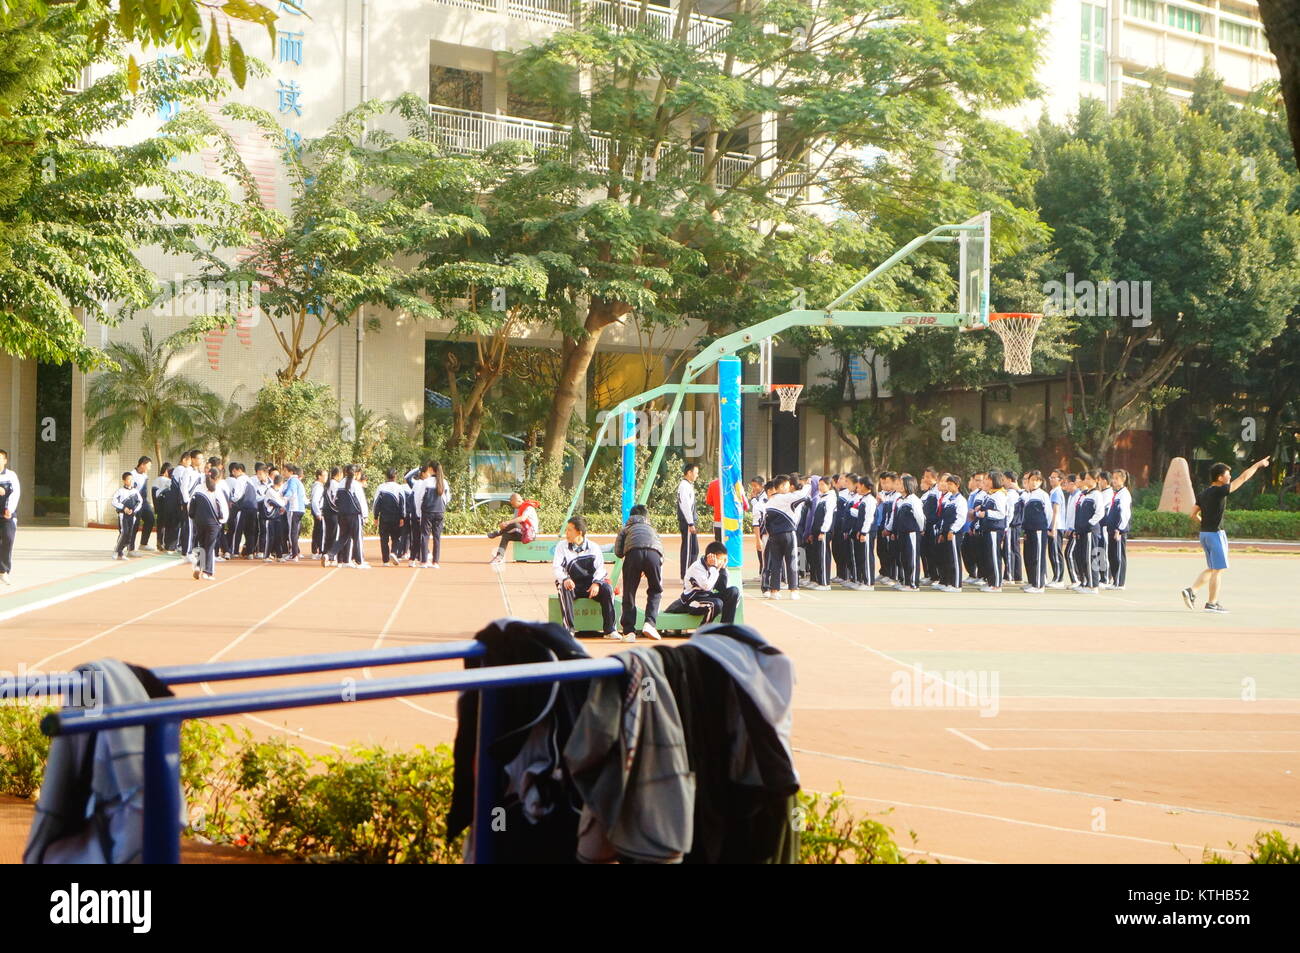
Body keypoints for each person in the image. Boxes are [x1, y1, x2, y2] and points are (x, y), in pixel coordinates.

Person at [1181, 457, 1269, 614]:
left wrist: (1205, 522)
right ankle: (1212, 603)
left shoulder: (1203, 493)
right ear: (1220, 477)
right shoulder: (1220, 490)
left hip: (1204, 534)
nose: (1230, 477)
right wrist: (1257, 465)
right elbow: (1243, 478)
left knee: (1213, 568)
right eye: (1228, 474)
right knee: (1219, 569)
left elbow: (1192, 514)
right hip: (1215, 534)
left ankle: (1192, 591)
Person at [553, 516, 617, 640]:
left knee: (608, 589)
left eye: (569, 530)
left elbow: (601, 569)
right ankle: (569, 630)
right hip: (572, 585)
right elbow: (557, 568)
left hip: (591, 586)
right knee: (563, 588)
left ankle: (610, 630)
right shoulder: (561, 546)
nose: (566, 533)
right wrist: (565, 579)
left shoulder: (594, 547)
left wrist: (597, 583)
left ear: (579, 532)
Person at [614, 503, 664, 641]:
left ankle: (629, 631)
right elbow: (660, 550)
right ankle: (650, 623)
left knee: (629, 593)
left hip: (633, 555)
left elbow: (618, 552)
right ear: (646, 516)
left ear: (631, 516)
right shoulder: (652, 530)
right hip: (654, 555)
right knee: (656, 589)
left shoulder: (626, 529)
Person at [664, 540, 740, 625]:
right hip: (692, 602)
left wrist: (722, 569)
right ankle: (703, 631)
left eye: (724, 559)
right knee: (715, 604)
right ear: (711, 557)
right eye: (721, 559)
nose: (723, 562)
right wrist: (714, 568)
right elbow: (707, 586)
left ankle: (725, 628)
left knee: (734, 591)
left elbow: (722, 588)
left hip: (707, 597)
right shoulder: (697, 567)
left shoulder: (716, 568)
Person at [760, 474, 808, 599]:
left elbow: (766, 523)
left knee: (776, 563)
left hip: (774, 536)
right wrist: (808, 483)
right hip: (788, 533)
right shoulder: (787, 498)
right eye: (787, 485)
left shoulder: (769, 501)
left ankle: (774, 591)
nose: (789, 487)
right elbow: (803, 494)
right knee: (792, 561)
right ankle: (793, 590)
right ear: (781, 487)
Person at [190, 468, 230, 581]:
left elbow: (190, 505)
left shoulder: (198, 488)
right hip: (213, 523)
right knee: (210, 547)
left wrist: (194, 517)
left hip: (199, 521)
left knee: (202, 545)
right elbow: (223, 508)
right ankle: (207, 572)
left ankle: (198, 566)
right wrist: (222, 521)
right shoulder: (217, 489)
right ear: (217, 478)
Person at [891, 474, 926, 591]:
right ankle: (906, 581)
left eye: (901, 483)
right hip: (902, 533)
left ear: (908, 485)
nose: (899, 486)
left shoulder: (914, 500)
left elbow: (920, 517)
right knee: (904, 558)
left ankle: (913, 584)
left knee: (912, 558)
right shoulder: (900, 500)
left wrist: (921, 529)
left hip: (912, 533)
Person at [973, 472, 1007, 592]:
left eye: (988, 479)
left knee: (993, 556)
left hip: (994, 529)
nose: (985, 481)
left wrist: (986, 513)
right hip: (987, 529)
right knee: (988, 556)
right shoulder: (990, 494)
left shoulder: (999, 495)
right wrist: (981, 508)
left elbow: (1001, 513)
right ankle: (991, 581)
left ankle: (996, 584)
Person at [934, 473, 968, 592]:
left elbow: (961, 517)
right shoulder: (949, 499)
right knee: (945, 558)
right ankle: (946, 581)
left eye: (950, 484)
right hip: (945, 532)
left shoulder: (960, 500)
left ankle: (956, 584)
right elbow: (944, 517)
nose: (948, 486)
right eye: (947, 484)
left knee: (954, 558)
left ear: (957, 485)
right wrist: (942, 532)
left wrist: (952, 530)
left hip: (954, 533)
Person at [1019, 470, 1052, 594]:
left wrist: (1047, 527)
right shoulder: (1028, 495)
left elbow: (1048, 512)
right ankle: (1033, 581)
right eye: (1032, 480)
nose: (1034, 482)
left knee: (1038, 556)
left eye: (1037, 480)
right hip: (1029, 529)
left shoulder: (1043, 495)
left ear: (1040, 482)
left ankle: (1039, 585)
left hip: (1039, 529)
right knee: (1031, 556)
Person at [488, 492, 540, 565]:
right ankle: (499, 557)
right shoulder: (519, 509)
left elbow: (522, 519)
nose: (512, 505)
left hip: (530, 534)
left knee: (514, 524)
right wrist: (507, 526)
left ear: (518, 501)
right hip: (523, 533)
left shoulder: (528, 507)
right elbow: (517, 525)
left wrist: (507, 523)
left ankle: (498, 532)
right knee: (506, 536)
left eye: (513, 503)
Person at [416, 460, 450, 569]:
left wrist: (418, 513)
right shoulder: (444, 482)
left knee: (425, 536)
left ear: (431, 469)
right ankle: (435, 562)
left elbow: (419, 498)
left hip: (427, 511)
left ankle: (424, 561)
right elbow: (447, 498)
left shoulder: (426, 482)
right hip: (439, 511)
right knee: (437, 537)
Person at [1103, 469, 1132, 590]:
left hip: (1118, 531)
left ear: (1123, 480)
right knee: (1112, 555)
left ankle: (1120, 582)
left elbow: (1124, 514)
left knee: (1119, 556)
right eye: (1113, 478)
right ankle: (1115, 580)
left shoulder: (1124, 494)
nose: (1113, 481)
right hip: (1111, 529)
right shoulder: (1117, 494)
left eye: (1116, 479)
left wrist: (1119, 529)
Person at [374, 469, 407, 567]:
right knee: (396, 538)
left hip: (384, 517)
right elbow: (402, 503)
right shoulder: (399, 487)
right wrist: (402, 517)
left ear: (386, 476)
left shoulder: (381, 487)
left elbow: (376, 504)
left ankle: (385, 561)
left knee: (384, 539)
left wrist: (376, 516)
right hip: (396, 517)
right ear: (395, 476)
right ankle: (393, 552)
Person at [110, 472, 142, 561]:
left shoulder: (135, 491)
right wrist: (124, 508)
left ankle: (120, 552)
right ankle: (117, 551)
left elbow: (140, 502)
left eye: (132, 479)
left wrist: (133, 510)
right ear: (124, 480)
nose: (130, 481)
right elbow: (114, 501)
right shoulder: (120, 491)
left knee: (130, 535)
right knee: (124, 532)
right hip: (123, 515)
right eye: (128, 479)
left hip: (132, 516)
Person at [677, 463, 700, 579]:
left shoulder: (688, 485)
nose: (697, 475)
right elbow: (685, 505)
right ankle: (685, 574)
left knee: (694, 549)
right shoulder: (684, 486)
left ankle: (690, 572)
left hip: (689, 521)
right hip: (687, 522)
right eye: (696, 473)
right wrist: (690, 523)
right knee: (688, 549)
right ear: (689, 473)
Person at [0, 448, 20, 585]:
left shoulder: (11, 476)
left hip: (7, 515)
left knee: (7, 539)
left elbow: (16, 493)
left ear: (5, 460)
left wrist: (9, 509)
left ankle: (3, 571)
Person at [127, 456, 154, 552]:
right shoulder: (132, 474)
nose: (149, 468)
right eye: (148, 466)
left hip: (144, 502)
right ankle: (131, 548)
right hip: (135, 502)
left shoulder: (145, 475)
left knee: (150, 519)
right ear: (142, 465)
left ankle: (143, 543)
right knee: (135, 524)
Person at [1047, 469, 1067, 587]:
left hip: (1056, 526)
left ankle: (1059, 579)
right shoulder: (1052, 491)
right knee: (1052, 553)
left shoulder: (1057, 492)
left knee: (1056, 552)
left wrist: (1053, 527)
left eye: (1054, 477)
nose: (1051, 479)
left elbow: (1056, 511)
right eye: (1051, 477)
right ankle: (1056, 577)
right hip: (1052, 526)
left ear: (1060, 480)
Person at [284, 465, 307, 562]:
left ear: (291, 472)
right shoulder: (299, 482)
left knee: (292, 532)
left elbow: (291, 491)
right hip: (300, 509)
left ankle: (293, 554)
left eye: (285, 470)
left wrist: (284, 500)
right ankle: (295, 552)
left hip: (294, 508)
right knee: (295, 532)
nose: (283, 472)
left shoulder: (292, 480)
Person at [309, 469, 326, 555]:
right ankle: (318, 550)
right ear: (319, 476)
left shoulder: (319, 486)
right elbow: (315, 501)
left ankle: (316, 550)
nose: (326, 478)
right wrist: (318, 513)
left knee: (317, 530)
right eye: (324, 476)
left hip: (318, 510)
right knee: (319, 531)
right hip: (319, 511)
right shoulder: (318, 487)